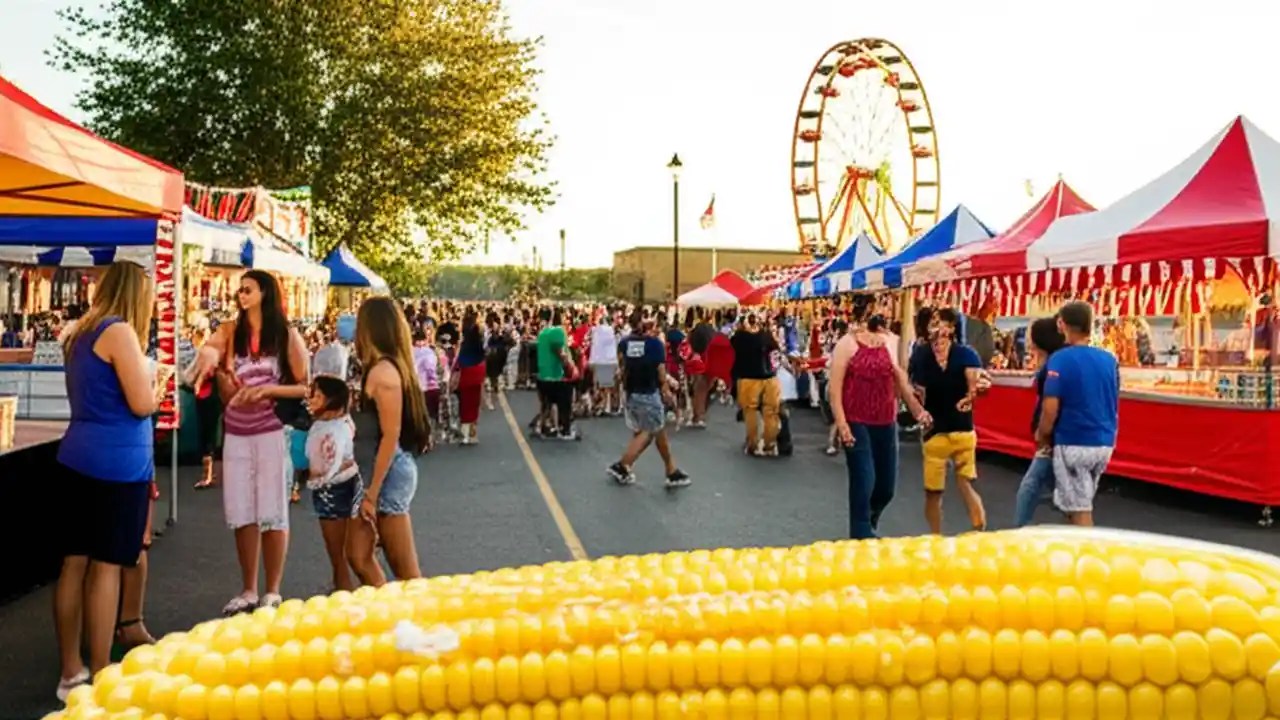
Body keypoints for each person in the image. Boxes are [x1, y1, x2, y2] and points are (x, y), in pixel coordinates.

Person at [52, 261, 166, 701]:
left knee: (72, 564)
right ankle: (100, 673)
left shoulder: (79, 331)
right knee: (106, 567)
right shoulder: (120, 333)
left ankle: (70, 672)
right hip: (117, 465)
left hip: (77, 454)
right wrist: (156, 383)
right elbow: (140, 404)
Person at [190, 270, 309, 615]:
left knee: (272, 510)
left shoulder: (286, 335)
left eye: (248, 290)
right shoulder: (229, 331)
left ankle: (272, 589)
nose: (240, 295)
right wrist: (210, 358)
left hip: (271, 431)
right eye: (239, 290)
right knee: (242, 511)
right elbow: (211, 347)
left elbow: (305, 386)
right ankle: (248, 589)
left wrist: (269, 390)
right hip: (237, 432)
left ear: (265, 294)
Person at [349, 297, 433, 584]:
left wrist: (371, 494)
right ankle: (388, 613)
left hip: (388, 473)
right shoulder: (384, 368)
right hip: (378, 471)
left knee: (408, 574)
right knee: (358, 555)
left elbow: (390, 435)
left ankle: (415, 624)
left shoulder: (384, 373)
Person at [828, 312, 931, 539]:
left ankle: (870, 515)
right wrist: (842, 424)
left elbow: (901, 381)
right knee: (864, 479)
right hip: (856, 420)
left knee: (886, 487)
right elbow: (835, 389)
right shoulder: (846, 344)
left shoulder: (892, 343)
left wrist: (917, 410)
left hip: (885, 421)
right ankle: (861, 533)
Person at [1034, 301, 1119, 526]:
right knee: (1078, 501)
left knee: (1080, 508)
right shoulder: (1109, 360)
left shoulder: (1060, 360)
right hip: (1104, 441)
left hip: (1073, 440)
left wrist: (1042, 434)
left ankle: (1088, 556)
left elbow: (1050, 407)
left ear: (1062, 324)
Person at [908, 308, 987, 534]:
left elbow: (976, 383)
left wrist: (971, 395)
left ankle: (953, 535)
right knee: (949, 487)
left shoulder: (930, 354)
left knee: (949, 488)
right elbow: (917, 390)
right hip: (948, 431)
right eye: (933, 324)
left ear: (951, 328)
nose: (937, 330)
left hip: (950, 430)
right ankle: (951, 535)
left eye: (940, 324)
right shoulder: (958, 354)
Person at [608, 318, 691, 488]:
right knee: (649, 431)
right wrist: (666, 390)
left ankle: (671, 469)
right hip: (649, 393)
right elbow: (660, 372)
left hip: (632, 392)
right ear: (653, 328)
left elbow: (622, 368)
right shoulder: (655, 345)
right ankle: (623, 465)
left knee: (658, 429)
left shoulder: (625, 343)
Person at [304, 376, 360, 591]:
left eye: (318, 396)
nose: (311, 400)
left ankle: (343, 587)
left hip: (330, 489)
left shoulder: (330, 429)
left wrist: (314, 479)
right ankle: (342, 584)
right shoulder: (341, 422)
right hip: (348, 484)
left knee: (336, 549)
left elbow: (325, 465)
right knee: (343, 547)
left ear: (332, 401)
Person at [1014, 317, 1066, 527]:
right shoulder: (1055, 362)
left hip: (1052, 435)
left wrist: (1043, 431)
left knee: (1030, 486)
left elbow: (1050, 404)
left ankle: (1020, 529)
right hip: (1058, 435)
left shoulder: (1052, 367)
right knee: (1059, 489)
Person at [731, 314, 782, 456]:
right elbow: (776, 352)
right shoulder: (766, 335)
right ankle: (769, 444)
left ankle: (752, 444)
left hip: (748, 378)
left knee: (750, 411)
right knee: (771, 412)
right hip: (770, 378)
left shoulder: (738, 338)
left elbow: (731, 357)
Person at [534, 309, 576, 438]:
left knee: (546, 402)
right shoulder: (558, 332)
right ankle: (564, 429)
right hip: (555, 376)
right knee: (565, 402)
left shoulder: (543, 333)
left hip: (542, 375)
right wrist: (570, 367)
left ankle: (542, 426)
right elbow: (560, 353)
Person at [454, 311, 486, 445]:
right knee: (474, 403)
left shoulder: (464, 344)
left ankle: (465, 434)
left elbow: (459, 361)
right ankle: (473, 433)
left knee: (464, 404)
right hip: (477, 374)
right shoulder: (478, 342)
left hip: (465, 374)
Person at [588, 313, 619, 416]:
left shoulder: (596, 331)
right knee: (606, 387)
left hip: (598, 360)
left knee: (599, 385)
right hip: (608, 361)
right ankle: (606, 407)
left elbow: (594, 346)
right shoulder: (610, 331)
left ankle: (601, 406)